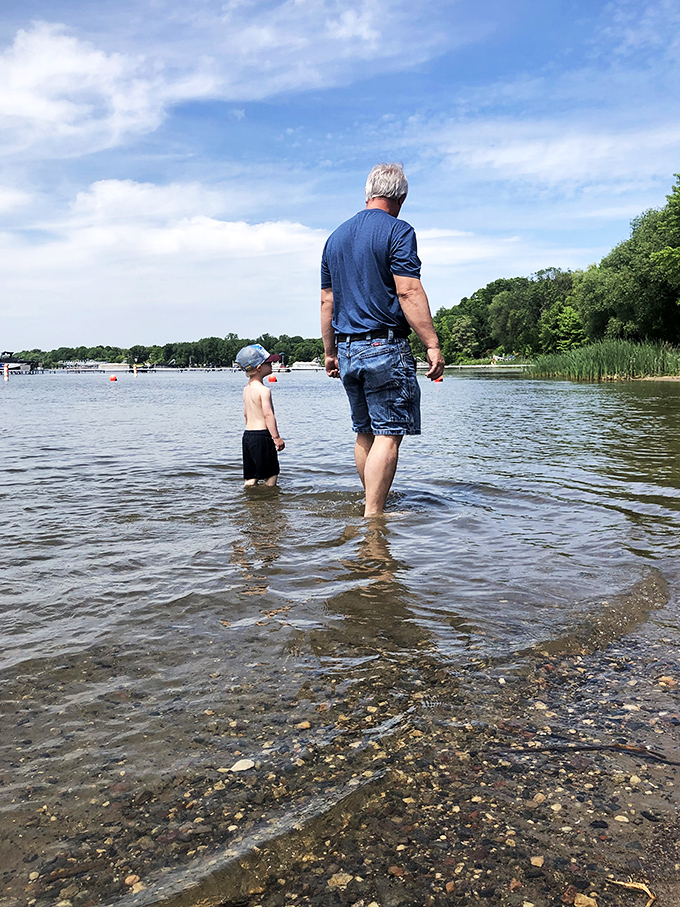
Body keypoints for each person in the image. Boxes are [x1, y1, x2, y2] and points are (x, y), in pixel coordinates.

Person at [320, 162, 445, 517]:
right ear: (401, 197)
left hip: (347, 348)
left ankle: (372, 506)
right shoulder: (399, 231)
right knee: (388, 433)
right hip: (384, 347)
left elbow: (327, 301)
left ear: (368, 193)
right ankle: (374, 516)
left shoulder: (335, 238)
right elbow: (408, 291)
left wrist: (330, 352)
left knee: (364, 432)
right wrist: (432, 344)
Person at [235, 343, 285, 487]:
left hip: (248, 436)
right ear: (259, 367)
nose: (272, 365)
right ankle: (268, 498)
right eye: (268, 363)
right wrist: (276, 438)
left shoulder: (246, 389)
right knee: (271, 475)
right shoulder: (264, 390)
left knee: (251, 476)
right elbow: (268, 415)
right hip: (262, 436)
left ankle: (250, 497)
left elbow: (245, 414)